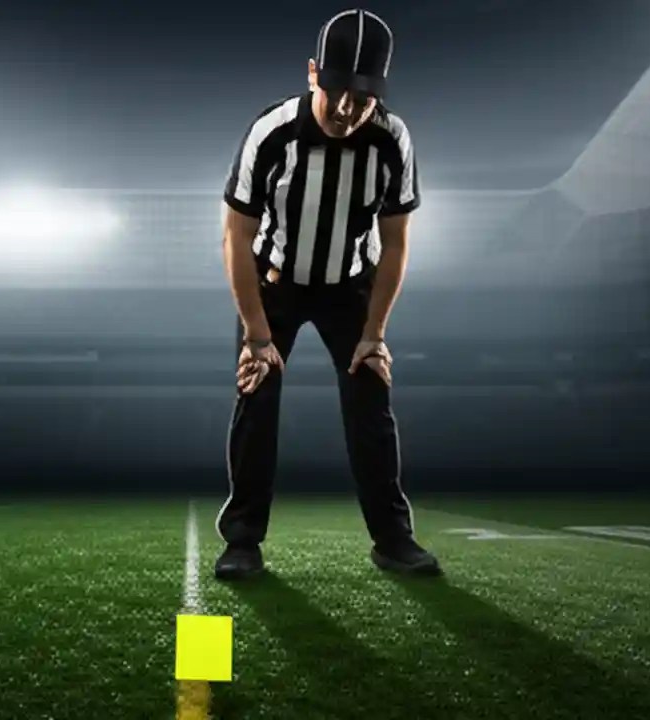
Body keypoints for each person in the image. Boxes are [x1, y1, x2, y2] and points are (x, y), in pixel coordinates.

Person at [214, 8, 441, 580]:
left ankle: (393, 539)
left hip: (350, 286)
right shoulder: (273, 132)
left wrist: (374, 335)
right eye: (337, 89)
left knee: (372, 403)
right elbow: (235, 237)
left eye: (362, 98)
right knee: (258, 396)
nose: (346, 108)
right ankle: (242, 541)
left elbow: (394, 245)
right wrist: (258, 337)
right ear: (313, 72)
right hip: (275, 284)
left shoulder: (392, 140)